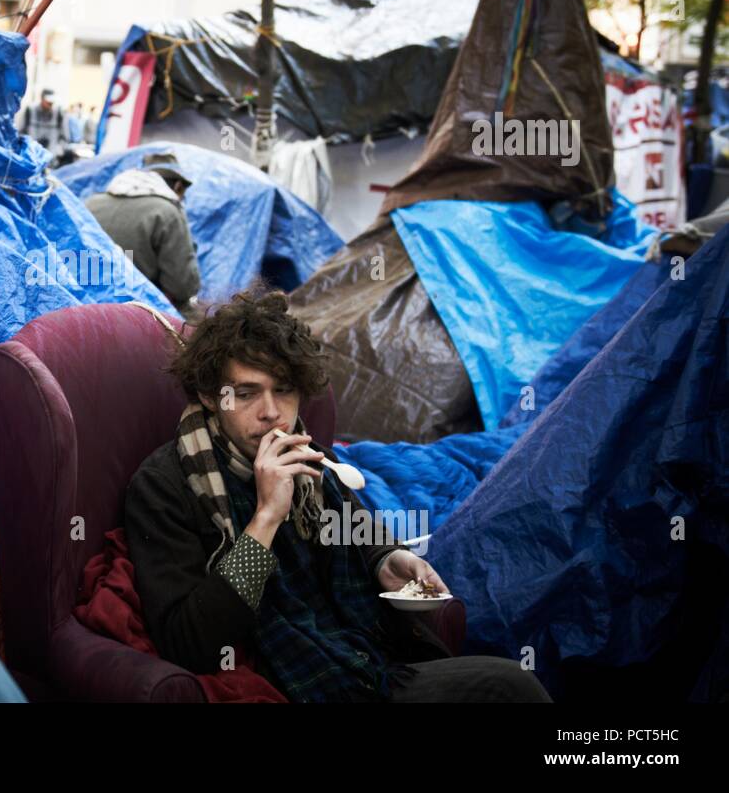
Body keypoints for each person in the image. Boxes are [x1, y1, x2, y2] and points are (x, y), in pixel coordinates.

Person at [123, 290, 554, 703]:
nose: (271, 412)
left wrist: (385, 557)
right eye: (247, 393)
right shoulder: (168, 486)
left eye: (284, 390)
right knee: (509, 688)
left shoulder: (310, 459)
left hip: (356, 656)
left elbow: (355, 527)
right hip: (281, 677)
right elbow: (188, 643)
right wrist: (267, 517)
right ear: (209, 396)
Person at [84, 153, 201, 313]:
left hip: (84, 302)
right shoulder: (167, 211)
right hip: (134, 311)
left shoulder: (92, 202)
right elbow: (182, 286)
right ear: (178, 186)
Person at [17, 88, 66, 158]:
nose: (50, 104)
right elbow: (20, 132)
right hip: (31, 156)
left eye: (52, 102)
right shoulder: (30, 111)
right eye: (48, 102)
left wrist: (59, 150)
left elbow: (64, 137)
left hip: (51, 158)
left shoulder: (58, 114)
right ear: (42, 99)